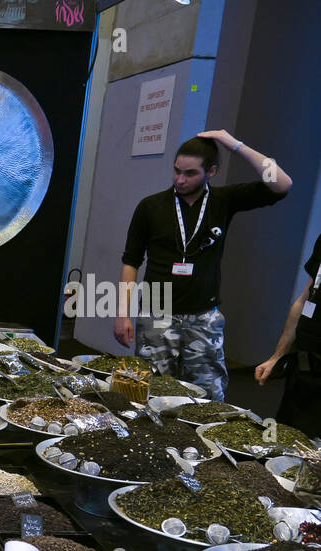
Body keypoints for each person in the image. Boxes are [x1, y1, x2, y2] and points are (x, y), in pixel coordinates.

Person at [114, 130, 291, 401]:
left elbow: (281, 184)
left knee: (208, 397)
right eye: (176, 171)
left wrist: (234, 144)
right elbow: (131, 262)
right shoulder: (150, 207)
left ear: (211, 172)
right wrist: (122, 314)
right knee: (150, 393)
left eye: (190, 173)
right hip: (156, 313)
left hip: (203, 316)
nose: (180, 179)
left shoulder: (224, 201)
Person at [255, 233, 321, 428]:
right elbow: (304, 300)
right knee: (287, 438)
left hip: (203, 322)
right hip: (303, 367)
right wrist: (277, 356)